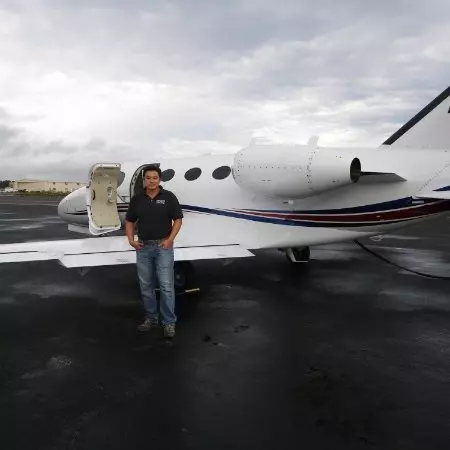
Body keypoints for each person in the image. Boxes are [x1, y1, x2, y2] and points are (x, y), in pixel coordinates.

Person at [125, 165, 183, 338]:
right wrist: (131, 240)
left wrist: (169, 240)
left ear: (159, 179)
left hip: (162, 247)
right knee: (146, 287)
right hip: (143, 247)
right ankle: (151, 318)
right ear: (145, 180)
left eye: (155, 178)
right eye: (148, 178)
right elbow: (129, 221)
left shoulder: (169, 197)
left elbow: (178, 220)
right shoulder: (137, 199)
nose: (151, 181)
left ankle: (169, 323)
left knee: (166, 286)